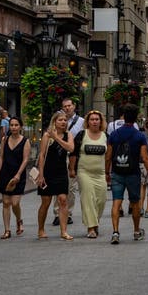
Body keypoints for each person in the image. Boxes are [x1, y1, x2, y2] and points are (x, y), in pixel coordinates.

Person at [105, 104, 148, 244]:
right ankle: (136, 231)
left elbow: (108, 155)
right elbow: (145, 158)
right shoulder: (139, 135)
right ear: (135, 118)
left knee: (116, 202)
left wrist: (107, 172)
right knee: (135, 203)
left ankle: (116, 232)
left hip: (117, 172)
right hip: (133, 173)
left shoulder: (114, 134)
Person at [37, 110, 75, 240]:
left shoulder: (68, 134)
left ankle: (63, 231)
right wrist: (41, 174)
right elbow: (41, 155)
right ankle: (41, 229)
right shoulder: (47, 135)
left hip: (61, 172)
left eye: (65, 120)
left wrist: (57, 138)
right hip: (47, 172)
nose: (63, 122)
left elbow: (70, 148)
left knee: (63, 200)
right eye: (60, 120)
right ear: (54, 121)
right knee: (46, 202)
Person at [70, 110, 107, 238]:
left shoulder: (105, 135)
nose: (95, 121)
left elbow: (109, 156)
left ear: (101, 122)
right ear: (88, 122)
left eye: (97, 119)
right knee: (88, 199)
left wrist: (109, 172)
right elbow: (73, 153)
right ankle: (91, 228)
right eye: (92, 119)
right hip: (84, 172)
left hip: (101, 173)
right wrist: (72, 169)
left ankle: (95, 221)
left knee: (101, 200)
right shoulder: (81, 135)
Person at [0, 116, 30, 239]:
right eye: (12, 125)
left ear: (20, 127)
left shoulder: (25, 141)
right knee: (6, 202)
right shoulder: (5, 139)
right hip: (5, 172)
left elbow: (26, 159)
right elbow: (1, 157)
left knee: (15, 203)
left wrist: (18, 175)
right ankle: (7, 230)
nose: (14, 127)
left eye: (16, 125)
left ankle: (19, 220)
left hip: (18, 173)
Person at [53, 97, 84, 226]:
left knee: (70, 188)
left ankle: (68, 213)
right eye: (64, 106)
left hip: (74, 156)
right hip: (59, 157)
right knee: (58, 186)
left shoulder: (81, 122)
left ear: (74, 106)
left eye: (69, 106)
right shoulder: (58, 120)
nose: (67, 108)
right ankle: (57, 213)